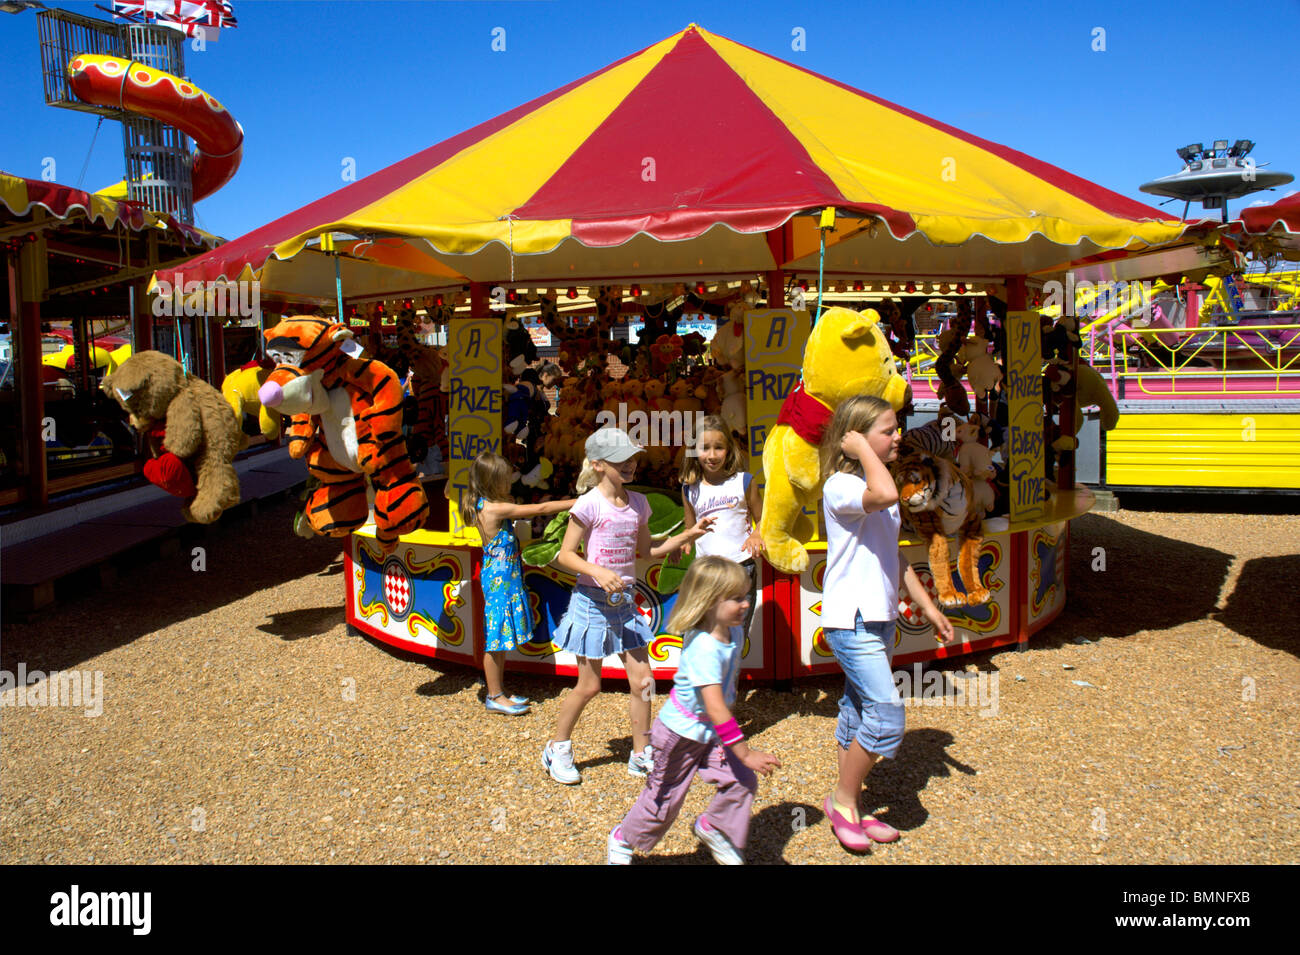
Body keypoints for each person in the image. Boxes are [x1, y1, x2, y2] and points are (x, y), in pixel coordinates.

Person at [818, 394, 956, 852]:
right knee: (887, 714)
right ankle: (841, 800)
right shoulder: (841, 486)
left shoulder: (880, 490)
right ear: (856, 438)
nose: (898, 437)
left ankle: (851, 806)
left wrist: (931, 607)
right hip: (851, 620)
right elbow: (886, 494)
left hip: (879, 619)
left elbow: (893, 559)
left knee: (858, 710)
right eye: (888, 430)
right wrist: (857, 451)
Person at [541, 426, 714, 784]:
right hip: (591, 602)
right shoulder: (588, 504)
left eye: (633, 458)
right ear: (599, 464)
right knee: (589, 686)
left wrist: (687, 534)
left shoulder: (639, 503)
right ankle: (557, 747)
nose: (632, 465)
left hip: (625, 605)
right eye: (622, 460)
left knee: (645, 681)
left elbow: (646, 551)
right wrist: (598, 572)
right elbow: (565, 555)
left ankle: (641, 752)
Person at [607, 556, 780, 865]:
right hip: (680, 734)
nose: (745, 604)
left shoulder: (733, 630)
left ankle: (714, 826)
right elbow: (714, 706)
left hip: (712, 732)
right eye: (736, 598)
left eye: (746, 595)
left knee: (742, 783)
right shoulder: (703, 648)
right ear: (709, 602)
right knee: (665, 798)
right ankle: (623, 839)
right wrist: (744, 752)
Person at [458, 452, 576, 715]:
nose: (511, 480)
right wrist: (577, 502)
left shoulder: (484, 503)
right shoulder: (494, 508)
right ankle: (494, 695)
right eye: (505, 477)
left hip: (504, 578)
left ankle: (499, 689)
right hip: (500, 583)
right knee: (496, 639)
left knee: (499, 640)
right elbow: (540, 510)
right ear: (494, 481)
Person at [679, 415, 764, 637]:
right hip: (705, 573)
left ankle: (727, 671)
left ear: (729, 449)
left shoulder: (744, 481)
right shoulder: (689, 489)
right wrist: (684, 541)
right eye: (704, 448)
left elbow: (764, 519)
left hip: (739, 567)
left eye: (719, 448)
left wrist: (757, 533)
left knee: (733, 637)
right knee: (697, 635)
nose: (712, 455)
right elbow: (690, 530)